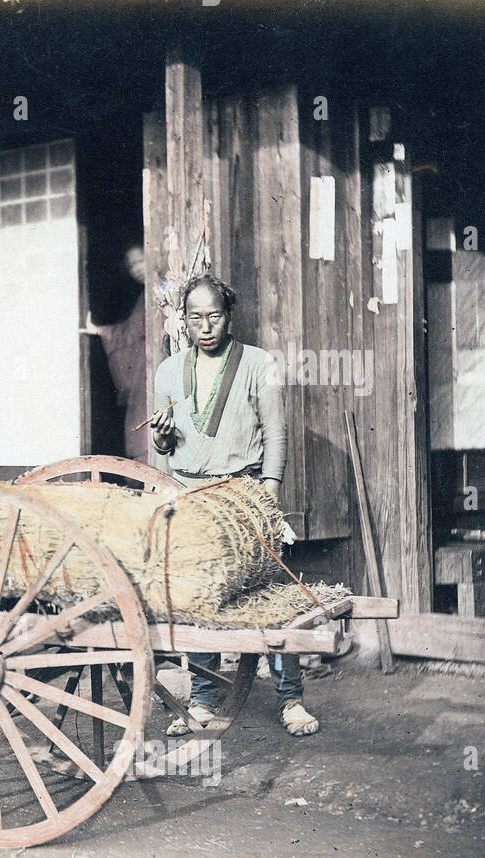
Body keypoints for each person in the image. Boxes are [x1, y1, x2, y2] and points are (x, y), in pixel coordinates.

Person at [149, 273, 319, 737]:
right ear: (183, 321)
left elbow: (276, 433)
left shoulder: (259, 364)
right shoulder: (168, 372)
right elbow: (164, 448)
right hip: (191, 495)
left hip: (244, 493)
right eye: (195, 318)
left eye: (215, 316)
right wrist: (162, 436)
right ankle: (203, 698)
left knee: (271, 593)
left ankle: (290, 700)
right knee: (200, 595)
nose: (206, 327)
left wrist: (270, 487)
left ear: (230, 316)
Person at [84, 244, 150, 463]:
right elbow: (131, 332)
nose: (137, 268)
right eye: (132, 265)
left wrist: (103, 331)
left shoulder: (161, 288)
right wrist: (102, 330)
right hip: (144, 368)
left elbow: (132, 334)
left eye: (141, 260)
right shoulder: (144, 294)